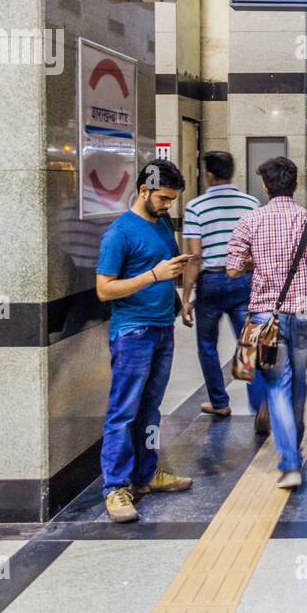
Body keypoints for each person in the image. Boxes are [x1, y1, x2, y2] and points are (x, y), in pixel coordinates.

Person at [226, 157, 307, 489]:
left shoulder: (250, 221)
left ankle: (290, 462)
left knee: (277, 385)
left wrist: (255, 263)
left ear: (265, 186)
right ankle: (295, 434)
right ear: (295, 185)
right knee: (299, 379)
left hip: (265, 318)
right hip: (305, 315)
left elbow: (232, 269)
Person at [94, 160, 194, 523]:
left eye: (172, 199)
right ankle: (116, 487)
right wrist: (153, 275)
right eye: (164, 198)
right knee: (124, 411)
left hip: (161, 328)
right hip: (132, 332)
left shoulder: (163, 224)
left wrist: (179, 302)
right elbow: (104, 290)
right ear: (143, 190)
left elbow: (166, 267)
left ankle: (146, 474)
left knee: (151, 408)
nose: (169, 205)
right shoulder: (119, 234)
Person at [181, 150, 260, 421]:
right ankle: (259, 401)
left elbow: (194, 257)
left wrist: (186, 296)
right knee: (249, 342)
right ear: (232, 171)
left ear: (209, 174)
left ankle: (219, 402)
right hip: (242, 280)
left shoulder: (195, 207)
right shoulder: (250, 203)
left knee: (206, 344)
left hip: (210, 282)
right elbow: (257, 249)